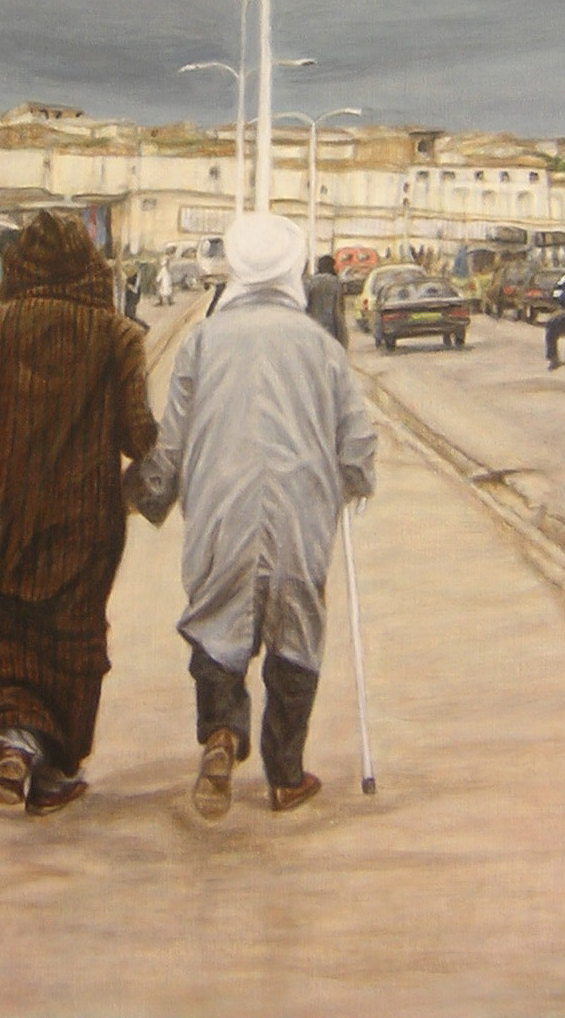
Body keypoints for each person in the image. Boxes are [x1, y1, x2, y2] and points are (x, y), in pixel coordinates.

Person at [126, 212, 376, 819]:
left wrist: (148, 493)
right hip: (301, 508)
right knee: (296, 627)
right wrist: (349, 481)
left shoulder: (202, 342)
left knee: (218, 617)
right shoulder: (322, 348)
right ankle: (285, 775)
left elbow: (172, 440)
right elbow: (358, 440)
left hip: (220, 504)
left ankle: (220, 736)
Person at [0, 211, 157, 816]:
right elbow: (138, 435)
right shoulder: (118, 336)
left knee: (4, 630)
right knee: (72, 637)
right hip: (85, 524)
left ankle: (13, 740)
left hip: (3, 520)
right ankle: (56, 771)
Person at [305, 252, 348, 347]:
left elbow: (305, 304)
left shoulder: (310, 282)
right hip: (332, 327)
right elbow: (340, 308)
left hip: (313, 324)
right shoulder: (336, 282)